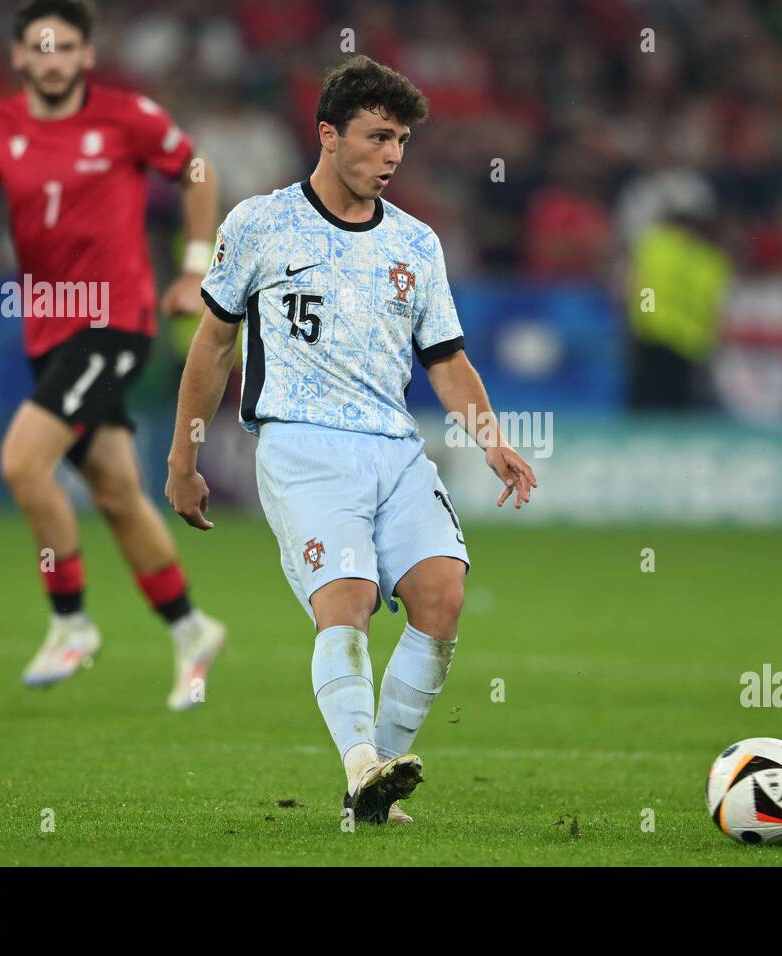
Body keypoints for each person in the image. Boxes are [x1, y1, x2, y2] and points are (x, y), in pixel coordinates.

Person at [166, 55, 537, 824]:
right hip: (303, 446)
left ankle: (369, 785)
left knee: (442, 596)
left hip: (395, 449)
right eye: (377, 137)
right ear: (329, 135)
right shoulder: (261, 223)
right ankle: (362, 761)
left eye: (401, 139)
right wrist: (184, 458)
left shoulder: (417, 245)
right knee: (350, 601)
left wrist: (491, 438)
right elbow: (212, 345)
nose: (394, 155)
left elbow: (446, 359)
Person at [0, 0, 227, 709]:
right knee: (116, 492)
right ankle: (192, 628)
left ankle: (71, 622)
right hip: (48, 333)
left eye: (66, 45)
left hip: (115, 323)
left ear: (86, 55)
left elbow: (196, 171)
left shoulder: (125, 116)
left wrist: (195, 268)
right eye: (40, 46)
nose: (53, 58)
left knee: (20, 461)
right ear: (19, 58)